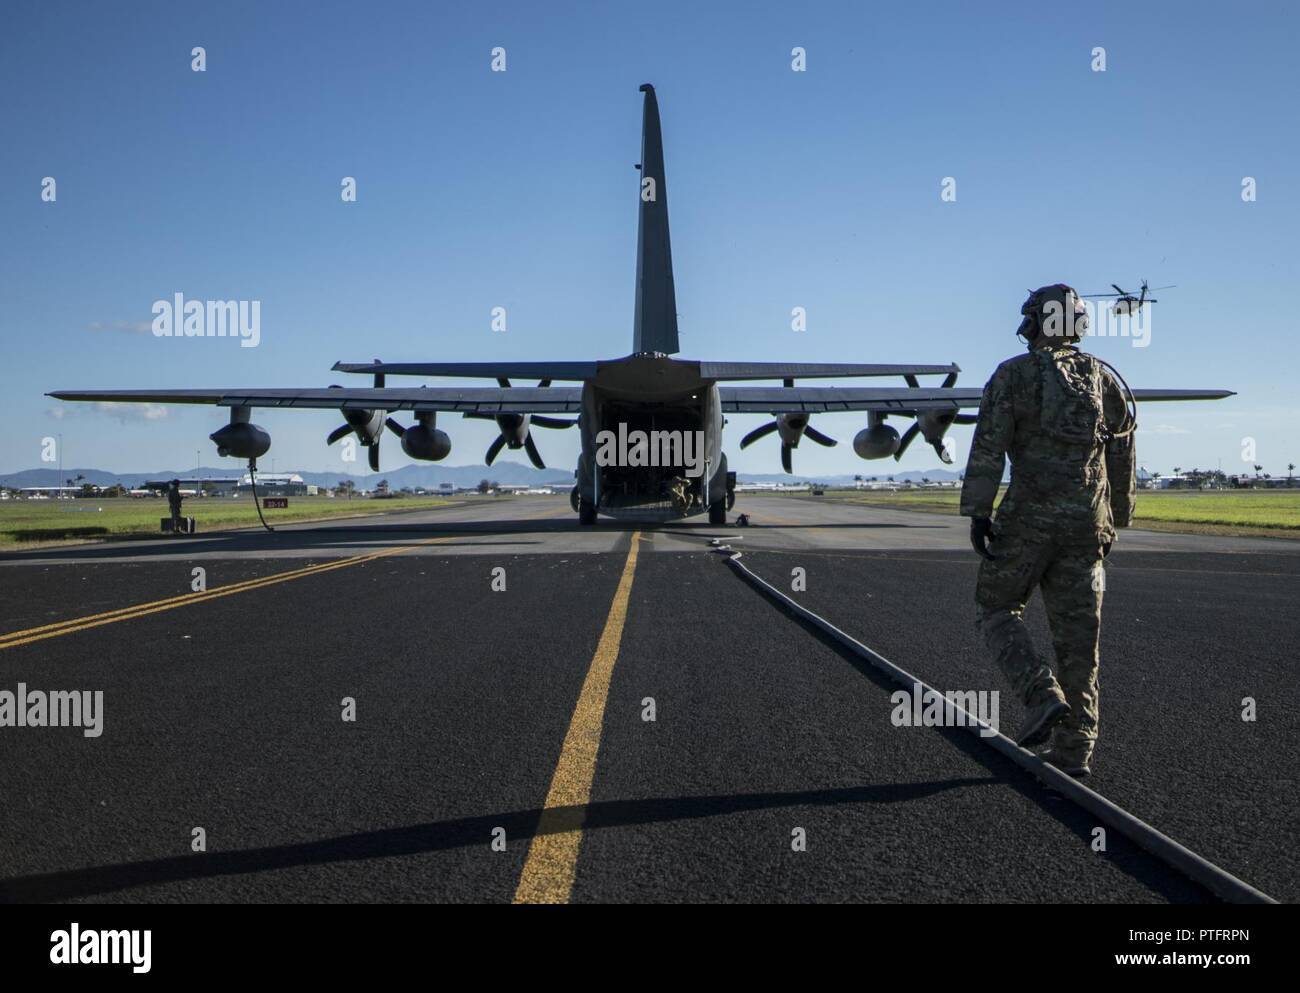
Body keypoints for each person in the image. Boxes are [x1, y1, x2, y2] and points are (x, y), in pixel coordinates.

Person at [959, 284, 1136, 776]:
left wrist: (978, 510)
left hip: (1028, 520)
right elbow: (1122, 455)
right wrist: (1116, 517)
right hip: (1087, 526)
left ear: (1038, 322)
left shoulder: (1012, 375)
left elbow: (989, 447)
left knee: (995, 606)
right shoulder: (1106, 380)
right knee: (1080, 638)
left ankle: (1040, 695)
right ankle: (1076, 748)